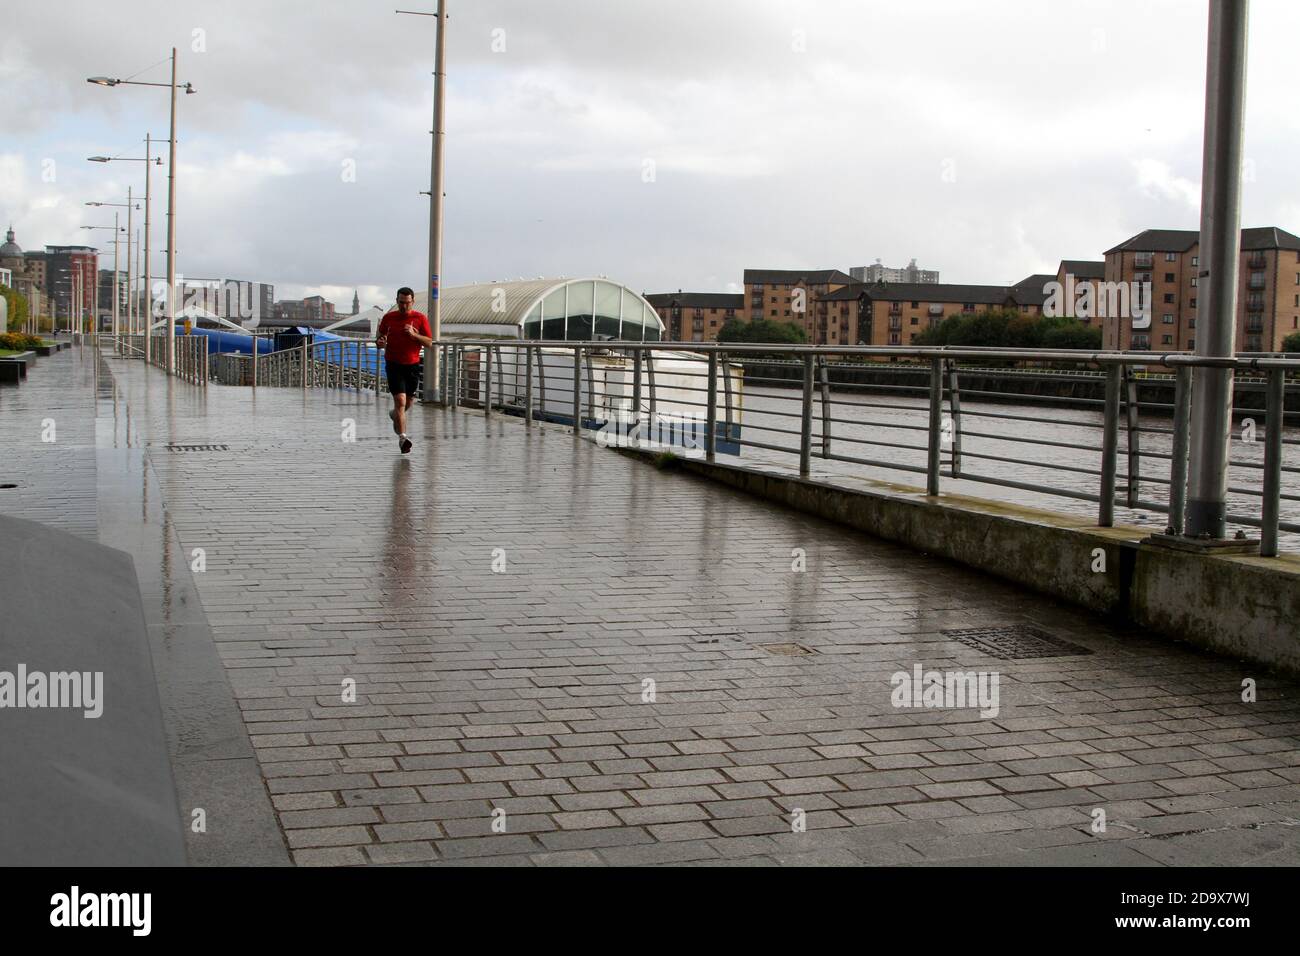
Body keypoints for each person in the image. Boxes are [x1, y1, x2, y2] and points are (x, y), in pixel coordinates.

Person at [375, 287, 432, 454]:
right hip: (393, 364)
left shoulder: (420, 318)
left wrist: (414, 336)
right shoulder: (389, 318)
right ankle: (403, 438)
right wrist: (380, 342)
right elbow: (379, 338)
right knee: (400, 401)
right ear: (396, 301)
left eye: (407, 303)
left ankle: (394, 415)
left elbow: (429, 342)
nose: (404, 306)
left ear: (413, 302)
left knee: (407, 403)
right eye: (401, 303)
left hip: (412, 365)